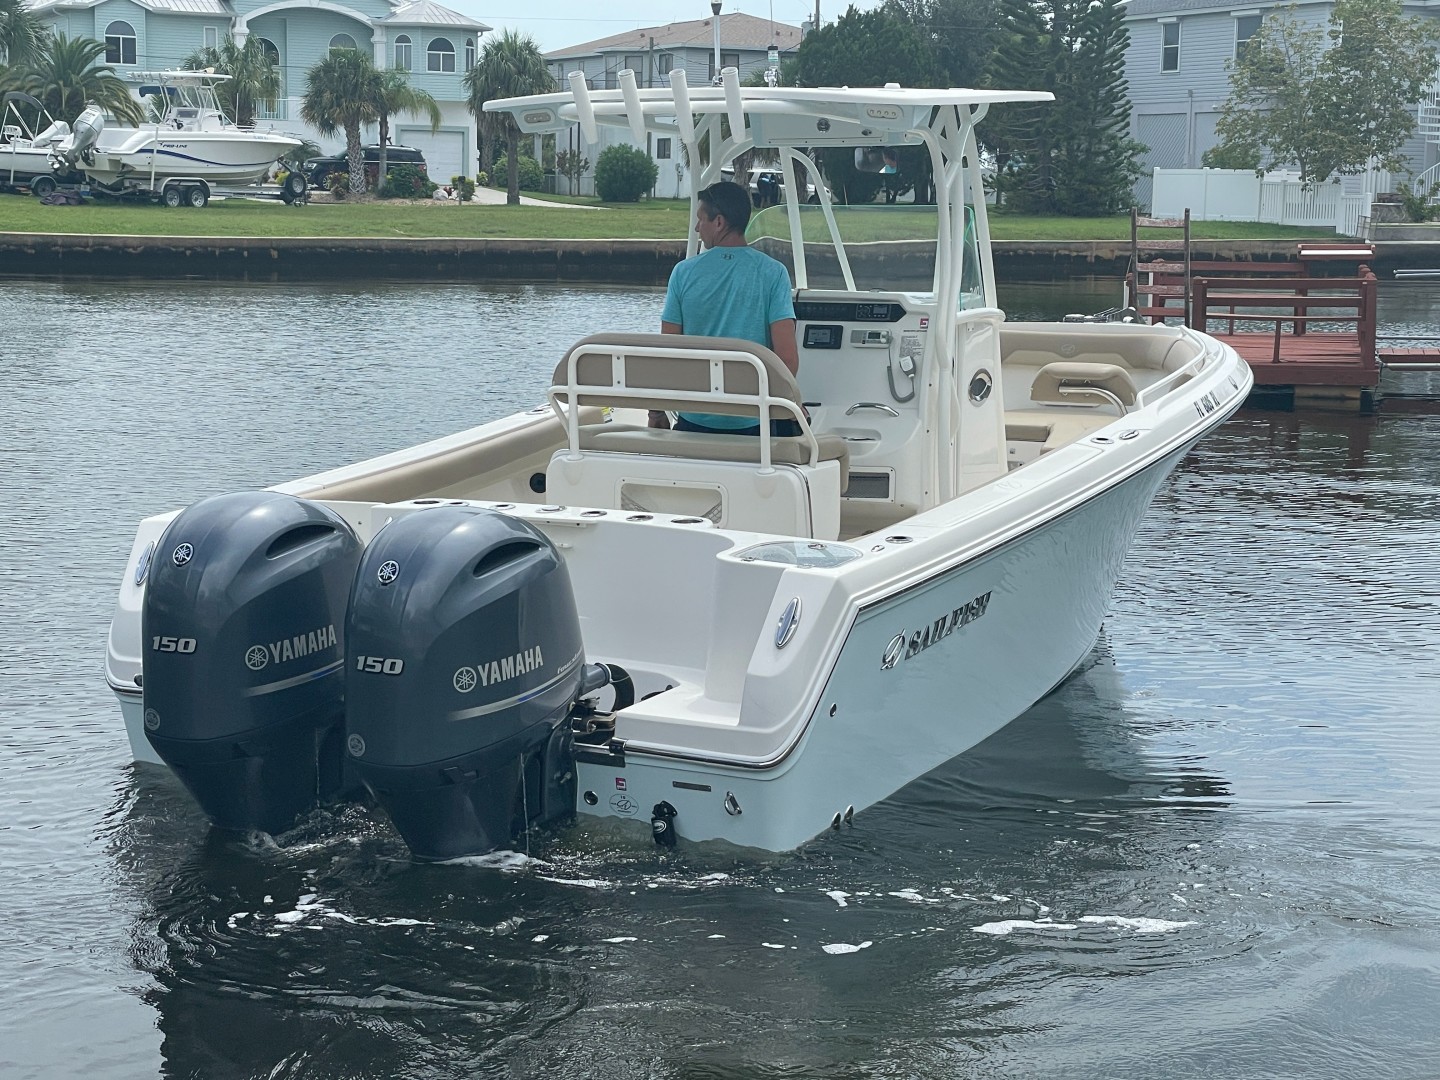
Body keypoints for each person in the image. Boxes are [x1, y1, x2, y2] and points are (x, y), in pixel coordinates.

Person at [654, 180, 799, 436]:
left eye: (701, 220)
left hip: (693, 422)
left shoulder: (683, 273)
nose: (697, 227)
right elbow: (787, 360)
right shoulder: (773, 273)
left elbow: (667, 354)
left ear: (719, 222)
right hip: (753, 424)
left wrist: (655, 412)